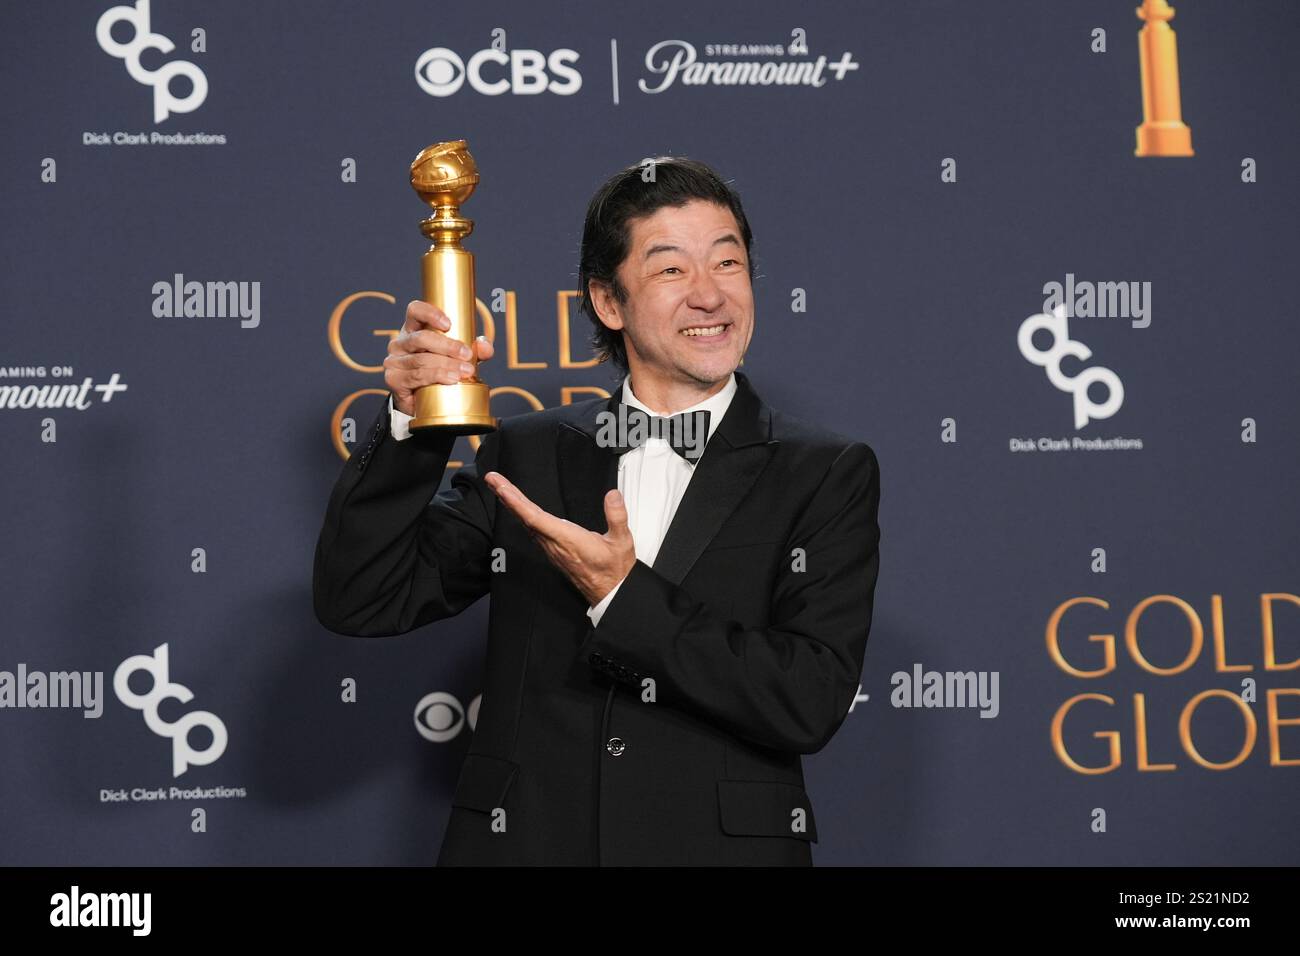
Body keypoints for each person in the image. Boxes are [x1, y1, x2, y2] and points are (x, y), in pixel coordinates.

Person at [312, 156, 881, 865]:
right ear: (608, 303)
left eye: (728, 263)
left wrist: (622, 597)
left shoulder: (823, 469)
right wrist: (409, 423)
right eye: (671, 270)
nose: (710, 295)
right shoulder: (530, 453)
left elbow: (809, 697)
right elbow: (363, 599)